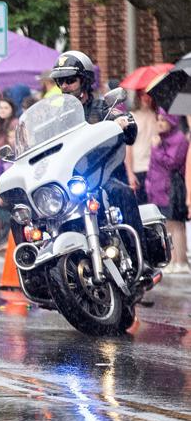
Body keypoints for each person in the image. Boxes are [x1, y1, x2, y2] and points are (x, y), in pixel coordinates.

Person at [48, 51, 148, 261]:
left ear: (84, 81)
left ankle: (141, 257)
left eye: (70, 80)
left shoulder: (103, 109)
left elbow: (130, 134)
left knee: (123, 193)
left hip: (103, 177)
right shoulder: (57, 119)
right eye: (60, 81)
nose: (64, 86)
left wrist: (123, 123)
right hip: (71, 182)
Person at [147, 109, 189, 274]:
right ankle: (173, 259)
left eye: (163, 120)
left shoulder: (179, 139)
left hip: (171, 188)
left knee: (176, 225)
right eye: (158, 119)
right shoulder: (161, 138)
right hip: (159, 189)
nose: (159, 123)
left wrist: (157, 149)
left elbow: (172, 163)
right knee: (167, 226)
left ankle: (181, 261)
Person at [125, 90, 157, 203]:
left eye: (149, 94)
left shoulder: (157, 116)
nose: (146, 98)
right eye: (143, 94)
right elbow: (128, 147)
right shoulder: (131, 118)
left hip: (156, 168)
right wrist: (130, 173)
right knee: (143, 206)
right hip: (138, 168)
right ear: (138, 96)